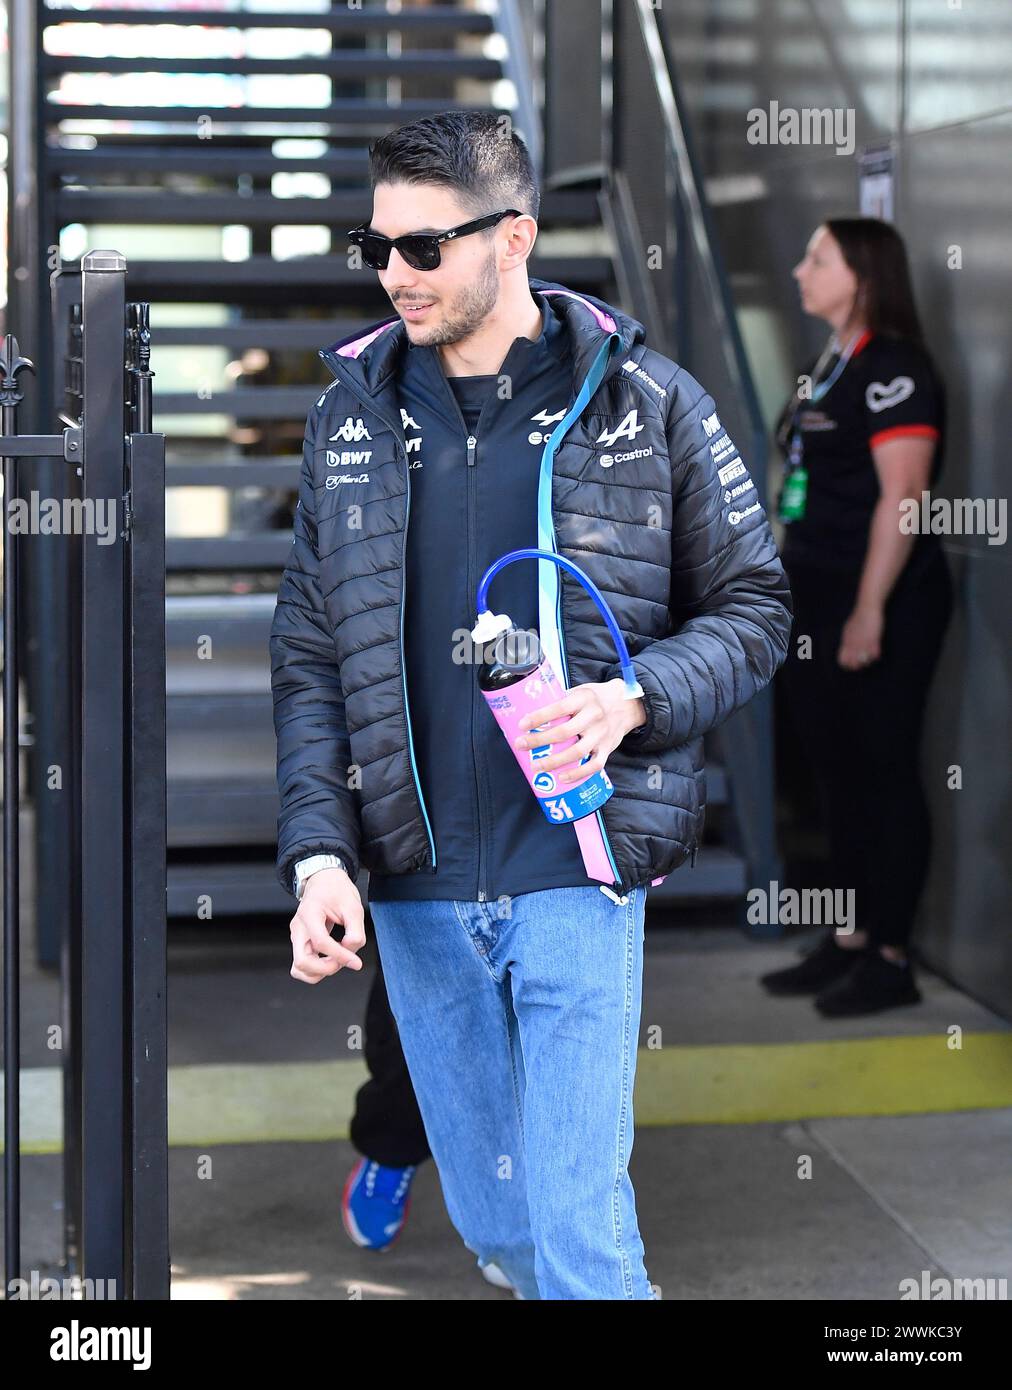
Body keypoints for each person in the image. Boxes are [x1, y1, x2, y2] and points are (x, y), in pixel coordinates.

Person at [270, 110, 792, 1300]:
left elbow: (756, 604)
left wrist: (633, 697)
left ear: (514, 236)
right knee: (503, 1231)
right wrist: (316, 855)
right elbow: (307, 656)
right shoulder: (346, 415)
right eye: (377, 247)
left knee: (580, 1244)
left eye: (422, 248)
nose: (393, 274)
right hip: (413, 885)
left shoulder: (644, 400)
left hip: (577, 862)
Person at [762, 218, 953, 1017]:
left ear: (863, 274)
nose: (802, 270)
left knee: (882, 770)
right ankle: (843, 936)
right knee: (831, 774)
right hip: (816, 590)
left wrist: (869, 610)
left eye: (819, 258)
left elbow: (903, 501)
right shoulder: (829, 362)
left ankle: (890, 955)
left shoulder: (895, 369)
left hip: (879, 597)